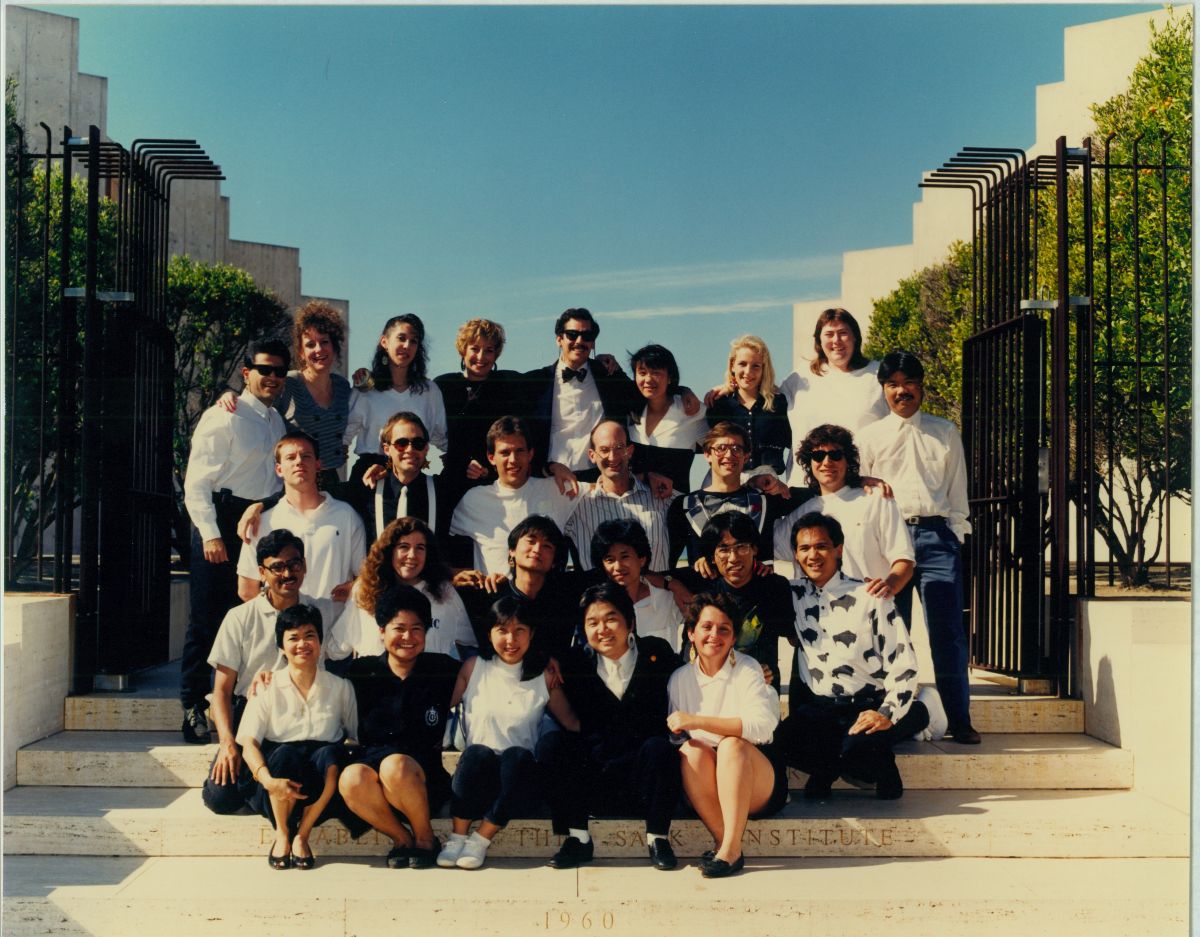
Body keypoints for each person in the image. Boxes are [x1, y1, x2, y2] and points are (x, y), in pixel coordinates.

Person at [855, 351, 979, 745]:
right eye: (892, 384)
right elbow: (861, 491)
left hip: (936, 537)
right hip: (890, 542)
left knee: (948, 632)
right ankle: (893, 717)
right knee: (892, 633)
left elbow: (957, 493)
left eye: (908, 383)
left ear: (921, 387)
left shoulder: (944, 431)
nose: (901, 391)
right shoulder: (870, 437)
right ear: (884, 390)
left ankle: (960, 720)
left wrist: (954, 535)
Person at [179, 338, 289, 743]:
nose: (273, 377)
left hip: (257, 522)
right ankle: (193, 704)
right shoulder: (222, 416)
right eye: (265, 370)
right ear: (247, 373)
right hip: (222, 520)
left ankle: (237, 701)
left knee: (249, 618)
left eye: (280, 371)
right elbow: (196, 483)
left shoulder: (277, 422)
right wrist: (210, 534)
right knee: (206, 618)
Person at [776, 512, 929, 800]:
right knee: (780, 744)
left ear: (838, 549)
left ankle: (915, 715)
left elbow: (904, 664)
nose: (813, 555)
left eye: (821, 546)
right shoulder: (792, 594)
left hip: (866, 703)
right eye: (804, 548)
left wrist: (886, 713)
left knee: (860, 758)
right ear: (795, 555)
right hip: (820, 709)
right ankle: (829, 766)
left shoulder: (870, 596)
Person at [539, 583, 683, 870]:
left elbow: (697, 676)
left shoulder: (657, 653)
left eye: (611, 618)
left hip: (643, 781)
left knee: (659, 747)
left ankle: (657, 838)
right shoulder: (573, 663)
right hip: (595, 780)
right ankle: (578, 838)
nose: (602, 629)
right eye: (592, 622)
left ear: (630, 622)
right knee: (553, 744)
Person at [436, 595, 579, 870]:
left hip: (517, 782)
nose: (510, 640)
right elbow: (441, 706)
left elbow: (571, 722)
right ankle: (457, 837)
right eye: (502, 630)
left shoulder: (544, 676)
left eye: (519, 631)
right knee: (477, 753)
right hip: (476, 777)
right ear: (489, 633)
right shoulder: (474, 667)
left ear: (531, 634)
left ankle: (481, 838)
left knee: (517, 757)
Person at [203, 530, 332, 815]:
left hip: (302, 718)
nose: (288, 573)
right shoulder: (240, 617)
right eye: (278, 567)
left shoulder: (320, 611)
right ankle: (265, 789)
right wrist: (227, 743)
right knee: (220, 798)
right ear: (261, 572)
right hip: (252, 718)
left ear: (305, 566)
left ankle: (268, 789)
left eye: (294, 564)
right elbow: (222, 691)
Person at [336, 584, 460, 869]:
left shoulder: (441, 669)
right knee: (351, 778)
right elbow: (319, 682)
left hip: (422, 777)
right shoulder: (361, 671)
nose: (408, 637)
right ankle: (402, 839)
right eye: (398, 628)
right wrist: (267, 677)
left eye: (417, 629)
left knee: (396, 766)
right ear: (381, 630)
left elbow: (485, 671)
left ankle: (426, 838)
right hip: (375, 784)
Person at [667, 592, 787, 878]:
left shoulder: (748, 669)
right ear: (691, 633)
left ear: (733, 638)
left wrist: (697, 720)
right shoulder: (679, 679)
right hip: (711, 783)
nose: (714, 635)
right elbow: (676, 736)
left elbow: (762, 728)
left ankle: (730, 849)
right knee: (691, 750)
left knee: (732, 745)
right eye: (706, 627)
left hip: (757, 780)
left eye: (724, 629)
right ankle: (727, 844)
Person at [236, 603, 358, 870]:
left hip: (321, 783)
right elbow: (248, 744)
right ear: (281, 648)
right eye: (293, 638)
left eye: (309, 635)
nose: (302, 644)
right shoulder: (266, 687)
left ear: (320, 641)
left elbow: (354, 738)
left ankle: (302, 835)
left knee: (331, 755)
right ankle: (282, 834)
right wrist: (267, 780)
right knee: (285, 755)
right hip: (275, 779)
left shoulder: (341, 688)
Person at [217, 301, 353, 491]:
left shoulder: (343, 387)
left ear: (334, 346)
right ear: (301, 353)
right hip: (293, 482)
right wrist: (229, 394)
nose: (318, 350)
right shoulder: (288, 383)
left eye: (324, 342)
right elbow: (258, 404)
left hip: (331, 481)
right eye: (310, 344)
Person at [235, 431, 367, 617]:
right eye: (290, 457)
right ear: (279, 469)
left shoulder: (346, 516)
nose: (299, 462)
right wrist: (282, 626)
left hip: (335, 636)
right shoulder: (263, 521)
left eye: (306, 456)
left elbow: (364, 577)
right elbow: (247, 589)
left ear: (318, 465)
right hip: (285, 640)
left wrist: (353, 587)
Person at [772, 424, 914, 593]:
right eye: (818, 456)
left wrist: (890, 586)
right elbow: (759, 547)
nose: (827, 462)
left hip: (867, 609)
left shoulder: (877, 500)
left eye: (835, 455)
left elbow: (903, 559)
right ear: (809, 463)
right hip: (816, 616)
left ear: (848, 460)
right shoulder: (800, 514)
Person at [674, 512, 795, 695]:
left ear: (754, 549)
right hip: (705, 692)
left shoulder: (774, 587)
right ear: (711, 556)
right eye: (723, 549)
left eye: (742, 547)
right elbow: (643, 573)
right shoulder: (701, 583)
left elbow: (795, 637)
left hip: (758, 691)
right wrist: (671, 582)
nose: (733, 558)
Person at [327, 516, 475, 661]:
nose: (412, 555)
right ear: (389, 550)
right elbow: (336, 650)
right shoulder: (363, 590)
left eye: (420, 548)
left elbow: (470, 643)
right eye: (403, 547)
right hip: (375, 682)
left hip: (428, 684)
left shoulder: (445, 593)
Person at [448, 416, 578, 576]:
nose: (513, 460)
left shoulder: (556, 489)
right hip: (496, 597)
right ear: (491, 457)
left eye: (520, 451)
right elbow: (439, 540)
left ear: (530, 454)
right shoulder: (473, 500)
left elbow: (601, 490)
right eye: (505, 452)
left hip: (547, 596)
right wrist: (455, 574)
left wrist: (555, 467)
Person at [776, 308, 889, 485]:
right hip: (805, 489)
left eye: (843, 333)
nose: (836, 340)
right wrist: (731, 386)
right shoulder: (799, 378)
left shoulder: (878, 375)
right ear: (819, 341)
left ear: (855, 337)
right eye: (829, 334)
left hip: (861, 486)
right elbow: (762, 399)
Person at [667, 422, 799, 567]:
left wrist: (781, 485)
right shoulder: (684, 505)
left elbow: (819, 494)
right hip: (706, 589)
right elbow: (670, 562)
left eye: (737, 449)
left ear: (746, 456)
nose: (729, 455)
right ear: (707, 454)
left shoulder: (765, 500)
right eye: (721, 448)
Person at [345, 314, 448, 484]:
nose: (407, 345)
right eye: (401, 338)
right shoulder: (366, 389)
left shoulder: (430, 391)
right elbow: (344, 436)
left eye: (414, 341)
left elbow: (442, 438)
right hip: (370, 476)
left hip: (412, 473)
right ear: (384, 342)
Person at [563, 420, 675, 572]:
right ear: (592, 455)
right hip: (603, 595)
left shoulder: (661, 495)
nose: (613, 456)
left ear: (629, 451)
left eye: (619, 447)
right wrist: (551, 467)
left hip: (654, 594)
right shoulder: (576, 505)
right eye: (604, 450)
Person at [434, 318, 520, 510]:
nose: (481, 357)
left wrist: (598, 365)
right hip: (454, 483)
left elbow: (550, 377)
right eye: (475, 348)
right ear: (463, 350)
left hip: (498, 483)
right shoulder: (443, 386)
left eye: (489, 350)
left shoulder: (509, 383)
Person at [340, 411, 457, 546]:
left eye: (418, 443)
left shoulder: (442, 491)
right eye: (401, 443)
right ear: (386, 449)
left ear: (426, 448)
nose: (410, 449)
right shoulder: (367, 492)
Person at [591, 518, 684, 655]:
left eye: (625, 557)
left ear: (642, 559)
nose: (618, 567)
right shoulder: (596, 608)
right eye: (610, 559)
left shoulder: (668, 599)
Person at [705, 335, 791, 478]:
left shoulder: (779, 404)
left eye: (756, 366)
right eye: (742, 364)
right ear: (733, 365)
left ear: (764, 369)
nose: (748, 372)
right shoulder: (719, 405)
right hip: (727, 481)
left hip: (768, 484)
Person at [626, 343, 707, 495]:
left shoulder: (691, 410)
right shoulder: (629, 408)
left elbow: (719, 451)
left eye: (656, 373)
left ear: (670, 377)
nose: (648, 379)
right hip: (634, 506)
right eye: (642, 372)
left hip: (674, 506)